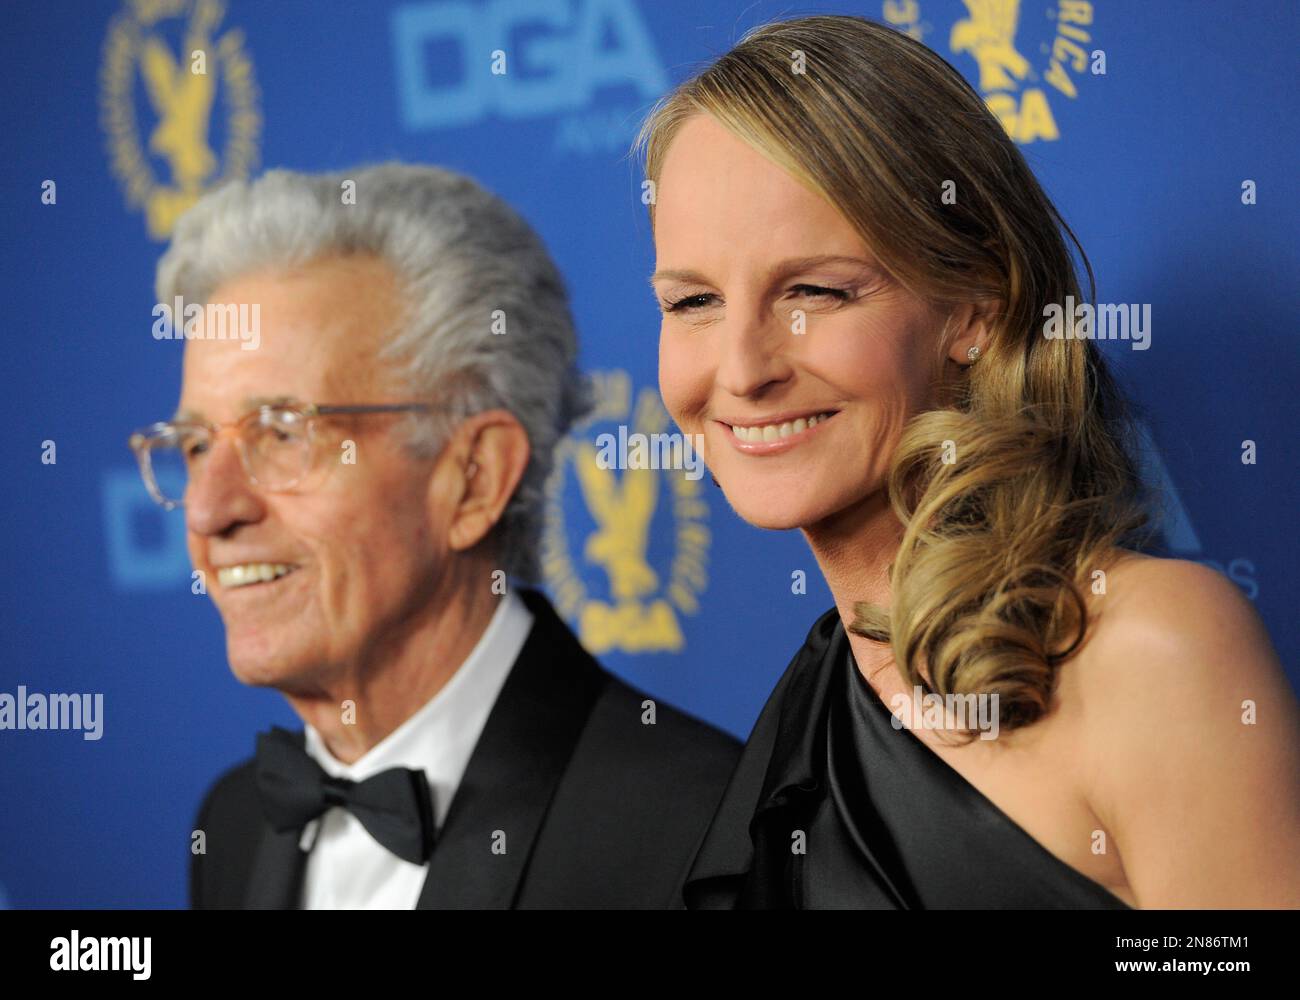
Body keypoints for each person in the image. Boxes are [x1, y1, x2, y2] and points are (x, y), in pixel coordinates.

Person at [635, 15, 1300, 908]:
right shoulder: (816, 700)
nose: (745, 368)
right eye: (695, 301)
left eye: (816, 292)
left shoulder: (1148, 651)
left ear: (975, 308)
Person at [132, 162, 740, 909]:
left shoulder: (703, 835)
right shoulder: (234, 826)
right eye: (195, 445)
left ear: (474, 478)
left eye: (283, 433)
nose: (207, 510)